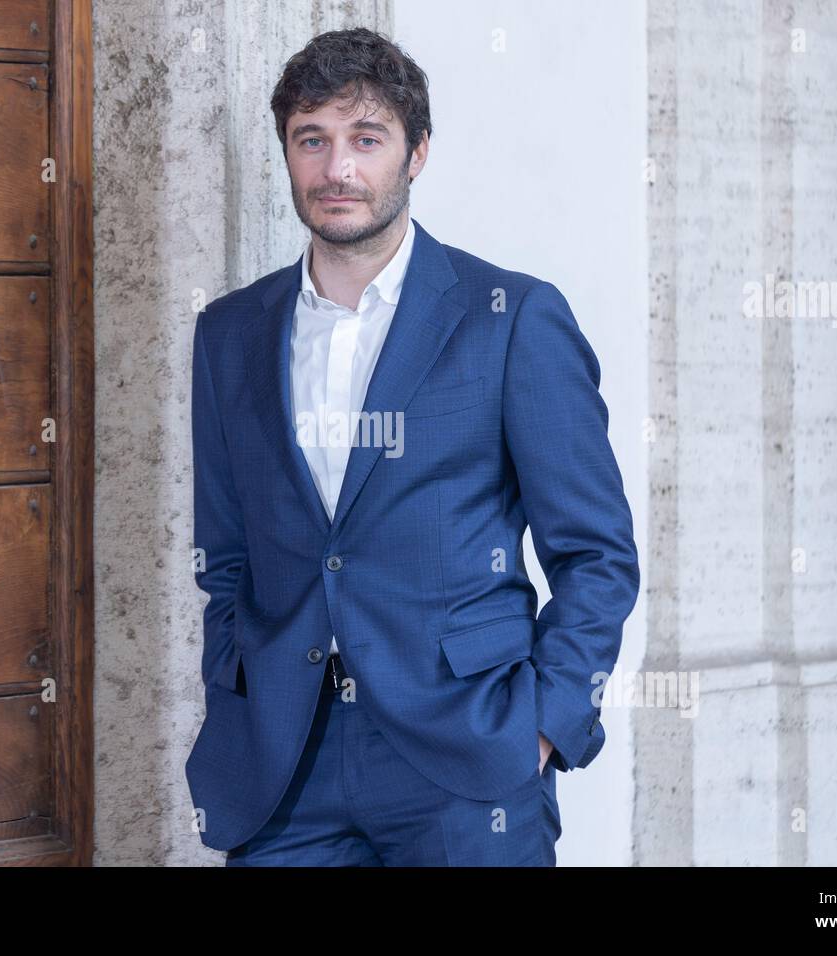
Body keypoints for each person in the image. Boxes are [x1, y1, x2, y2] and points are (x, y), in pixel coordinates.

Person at [185, 27, 640, 866]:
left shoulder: (509, 319)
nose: (337, 170)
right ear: (286, 153)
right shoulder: (227, 336)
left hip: (467, 761)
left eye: (367, 139)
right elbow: (227, 557)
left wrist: (543, 729)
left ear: (417, 152)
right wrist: (236, 687)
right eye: (311, 140)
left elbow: (598, 555)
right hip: (286, 769)